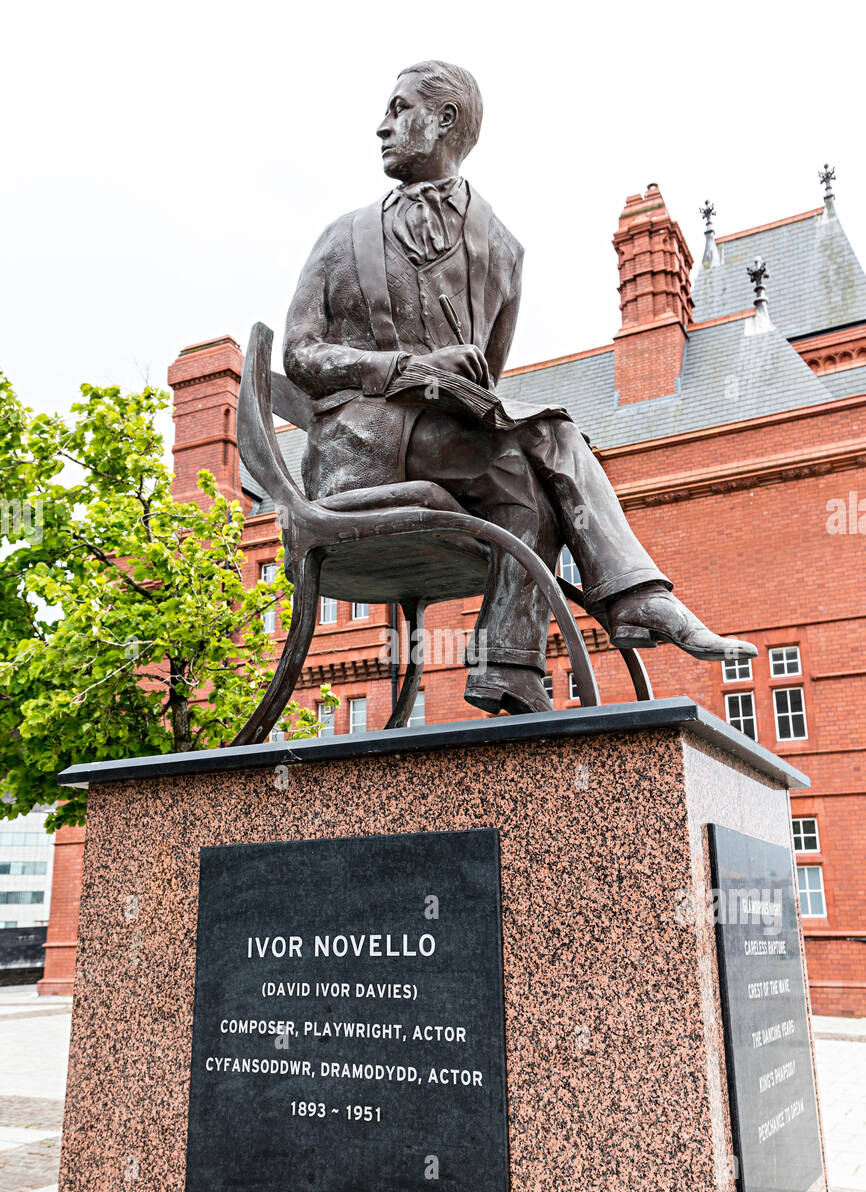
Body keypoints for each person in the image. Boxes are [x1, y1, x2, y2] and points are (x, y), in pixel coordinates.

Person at [282, 60, 756, 714]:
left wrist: (456, 384)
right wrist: (400, 370)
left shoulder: (500, 250)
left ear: (444, 120)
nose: (380, 126)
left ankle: (507, 670)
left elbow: (489, 385)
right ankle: (637, 597)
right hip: (358, 457)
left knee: (523, 487)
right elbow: (299, 352)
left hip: (446, 454)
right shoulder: (343, 238)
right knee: (552, 432)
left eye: (398, 110)